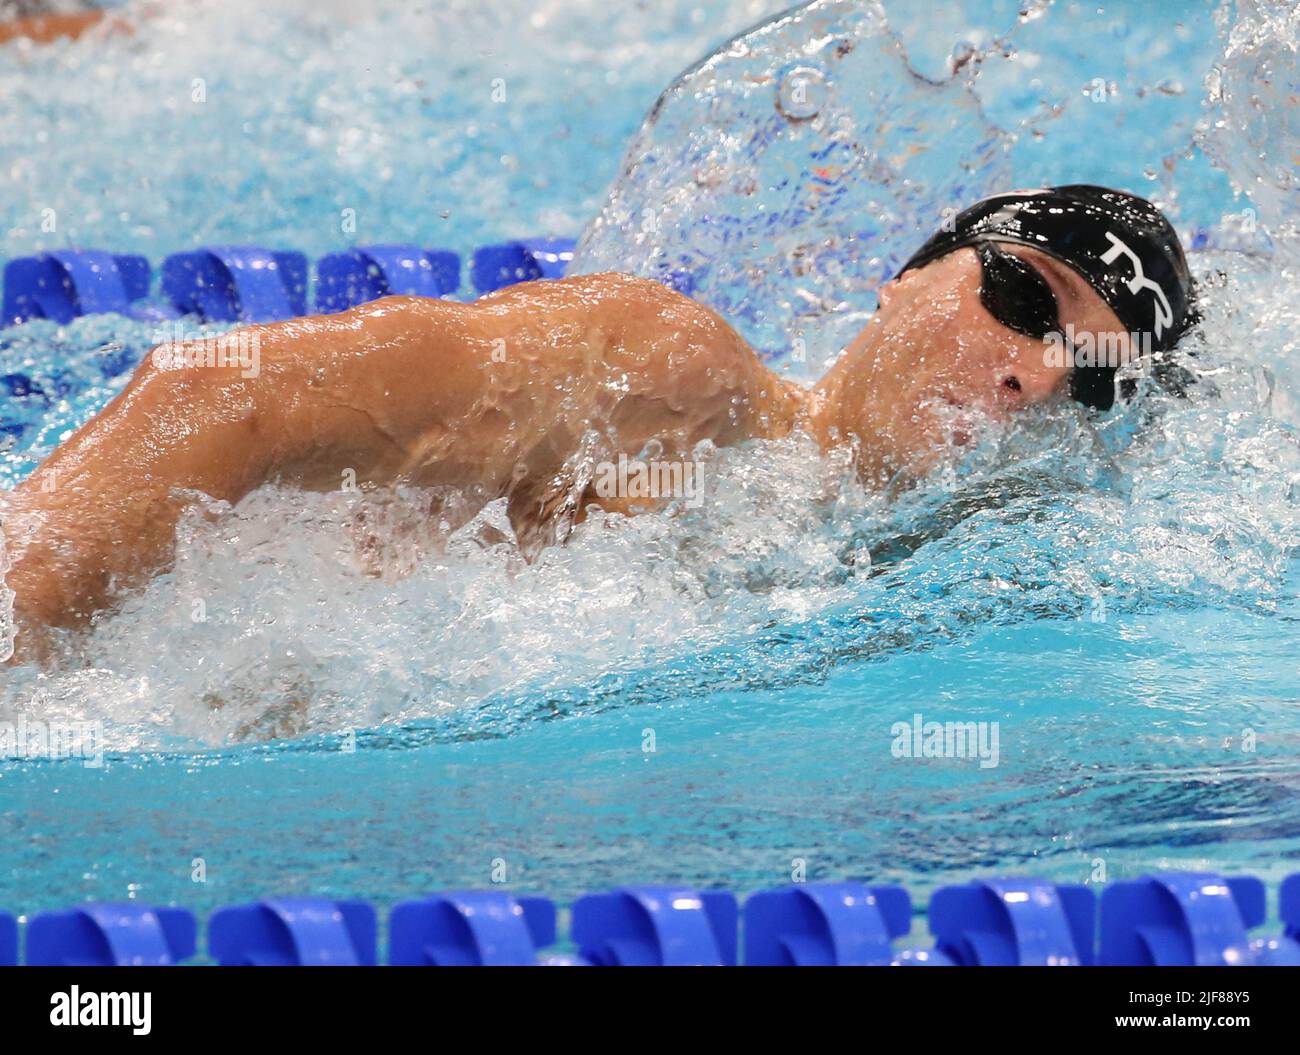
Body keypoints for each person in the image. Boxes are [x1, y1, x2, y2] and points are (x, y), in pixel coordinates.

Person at [0, 184, 1196, 661]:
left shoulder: (943, 589)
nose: (1032, 376)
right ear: (907, 276)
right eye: (1022, 295)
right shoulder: (673, 376)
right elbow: (224, 386)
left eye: (1089, 375)